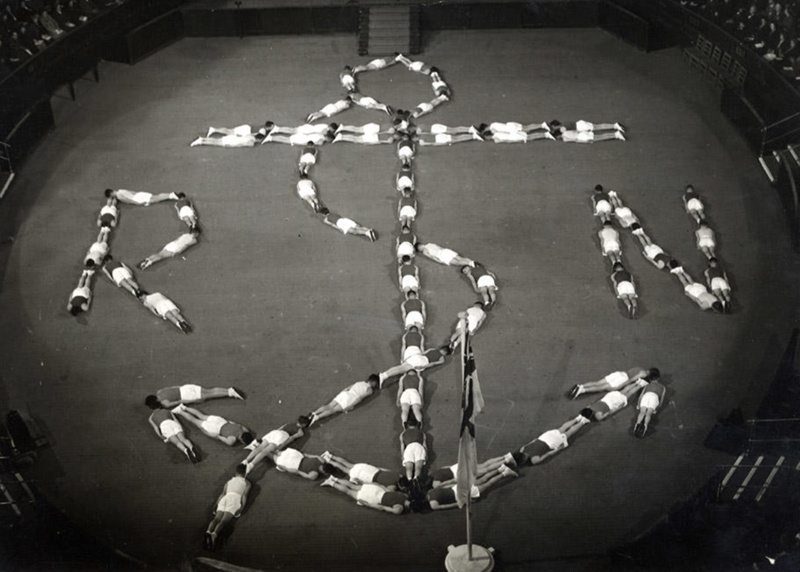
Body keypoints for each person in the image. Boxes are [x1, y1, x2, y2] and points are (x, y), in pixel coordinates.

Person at [427, 464, 518, 510]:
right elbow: (446, 486)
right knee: (484, 479)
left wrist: (464, 502)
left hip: (462, 494)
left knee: (488, 484)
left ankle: (504, 473)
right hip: (457, 487)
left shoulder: (433, 505)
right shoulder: (430, 491)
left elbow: (449, 505)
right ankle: (500, 469)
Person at [204, 465, 251, 551]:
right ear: (245, 473)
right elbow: (244, 495)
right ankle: (214, 535)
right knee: (224, 521)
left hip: (225, 499)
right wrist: (242, 507)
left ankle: (208, 532)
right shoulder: (247, 483)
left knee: (216, 519)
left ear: (236, 472)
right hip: (234, 500)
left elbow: (223, 494)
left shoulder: (229, 481)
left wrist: (216, 504)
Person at [242, 417, 311, 474]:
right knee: (265, 452)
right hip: (282, 436)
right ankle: (251, 465)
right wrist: (280, 446)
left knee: (260, 447)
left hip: (275, 432)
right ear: (304, 425)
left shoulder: (288, 424)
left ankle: (245, 461)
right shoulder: (300, 431)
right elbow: (291, 438)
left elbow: (279, 428)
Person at [307, 375, 380, 425]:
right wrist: (350, 406)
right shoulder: (370, 390)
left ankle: (314, 413)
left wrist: (341, 393)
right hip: (350, 399)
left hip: (345, 393)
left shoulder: (360, 382)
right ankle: (317, 417)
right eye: (376, 384)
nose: (375, 385)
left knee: (329, 405)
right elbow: (359, 398)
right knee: (333, 410)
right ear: (373, 382)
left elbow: (347, 388)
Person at [172, 404, 254, 446]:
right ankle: (180, 411)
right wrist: (205, 432)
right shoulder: (232, 441)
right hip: (215, 429)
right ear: (242, 441)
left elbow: (232, 422)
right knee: (195, 421)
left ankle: (183, 407)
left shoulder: (244, 429)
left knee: (201, 416)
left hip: (221, 421)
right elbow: (217, 436)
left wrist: (226, 421)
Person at [518, 416, 588, 465]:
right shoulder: (522, 449)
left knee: (569, 433)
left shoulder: (534, 460)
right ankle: (578, 418)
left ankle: (583, 421)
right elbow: (533, 440)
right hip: (543, 437)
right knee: (562, 428)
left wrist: (559, 448)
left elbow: (548, 454)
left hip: (551, 443)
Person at [320, 478, 409, 515]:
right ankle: (331, 482)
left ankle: (334, 478)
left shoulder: (404, 495)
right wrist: (367, 504)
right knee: (348, 491)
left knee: (352, 486)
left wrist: (373, 484)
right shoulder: (399, 509)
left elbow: (385, 488)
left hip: (377, 490)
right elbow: (382, 507)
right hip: (374, 498)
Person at [319, 451, 402, 489]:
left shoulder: (397, 475)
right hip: (366, 476)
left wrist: (374, 467)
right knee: (344, 469)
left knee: (347, 464)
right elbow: (377, 486)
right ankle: (329, 460)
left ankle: (329, 456)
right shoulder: (392, 486)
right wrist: (361, 482)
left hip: (370, 469)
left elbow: (383, 469)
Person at [429, 453, 517, 487]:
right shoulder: (433, 474)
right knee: (485, 464)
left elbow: (450, 483)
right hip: (456, 467)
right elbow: (445, 467)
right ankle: (505, 457)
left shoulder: (435, 484)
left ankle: (505, 462)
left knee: (486, 469)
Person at [379, 346, 451, 387]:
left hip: (416, 357)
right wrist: (423, 367)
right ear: (445, 353)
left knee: (399, 367)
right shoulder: (441, 358)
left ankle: (383, 375)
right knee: (401, 370)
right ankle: (383, 376)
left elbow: (422, 353)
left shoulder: (433, 349)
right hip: (422, 361)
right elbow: (433, 364)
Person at [569, 367, 659, 400]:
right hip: (623, 379)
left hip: (619, 373)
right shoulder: (643, 374)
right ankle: (582, 390)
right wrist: (620, 386)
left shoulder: (640, 368)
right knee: (601, 387)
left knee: (598, 382)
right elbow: (631, 380)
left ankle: (581, 386)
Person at [579, 382, 645, 422]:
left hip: (613, 403)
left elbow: (610, 412)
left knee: (630, 393)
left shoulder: (598, 417)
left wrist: (620, 407)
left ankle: (641, 384)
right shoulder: (589, 406)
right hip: (608, 397)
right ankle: (637, 382)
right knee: (625, 390)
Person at [145, 385, 245, 409]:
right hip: (186, 387)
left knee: (210, 395)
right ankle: (228, 390)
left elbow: (181, 401)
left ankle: (230, 393)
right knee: (209, 390)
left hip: (187, 395)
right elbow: (174, 386)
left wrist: (194, 400)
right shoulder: (160, 391)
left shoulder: (165, 403)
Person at [399, 416, 427, 481]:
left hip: (408, 448)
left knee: (408, 468)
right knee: (418, 468)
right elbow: (424, 445)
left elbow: (402, 446)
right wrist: (426, 454)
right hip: (419, 447)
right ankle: (416, 480)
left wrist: (402, 455)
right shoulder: (422, 433)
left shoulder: (402, 434)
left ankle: (409, 480)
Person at [549, 120, 625, 142]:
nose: (553, 128)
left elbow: (573, 133)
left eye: (553, 127)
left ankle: (615, 126)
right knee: (598, 127)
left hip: (581, 128)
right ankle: (615, 127)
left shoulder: (562, 129)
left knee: (598, 127)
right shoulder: (563, 125)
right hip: (580, 126)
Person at [105, 188, 178, 206]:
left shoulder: (119, 197)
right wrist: (138, 193)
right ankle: (170, 195)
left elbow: (128, 201)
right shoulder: (120, 190)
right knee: (156, 196)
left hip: (137, 199)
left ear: (111, 194)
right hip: (138, 194)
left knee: (156, 199)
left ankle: (171, 195)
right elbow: (132, 192)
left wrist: (138, 203)